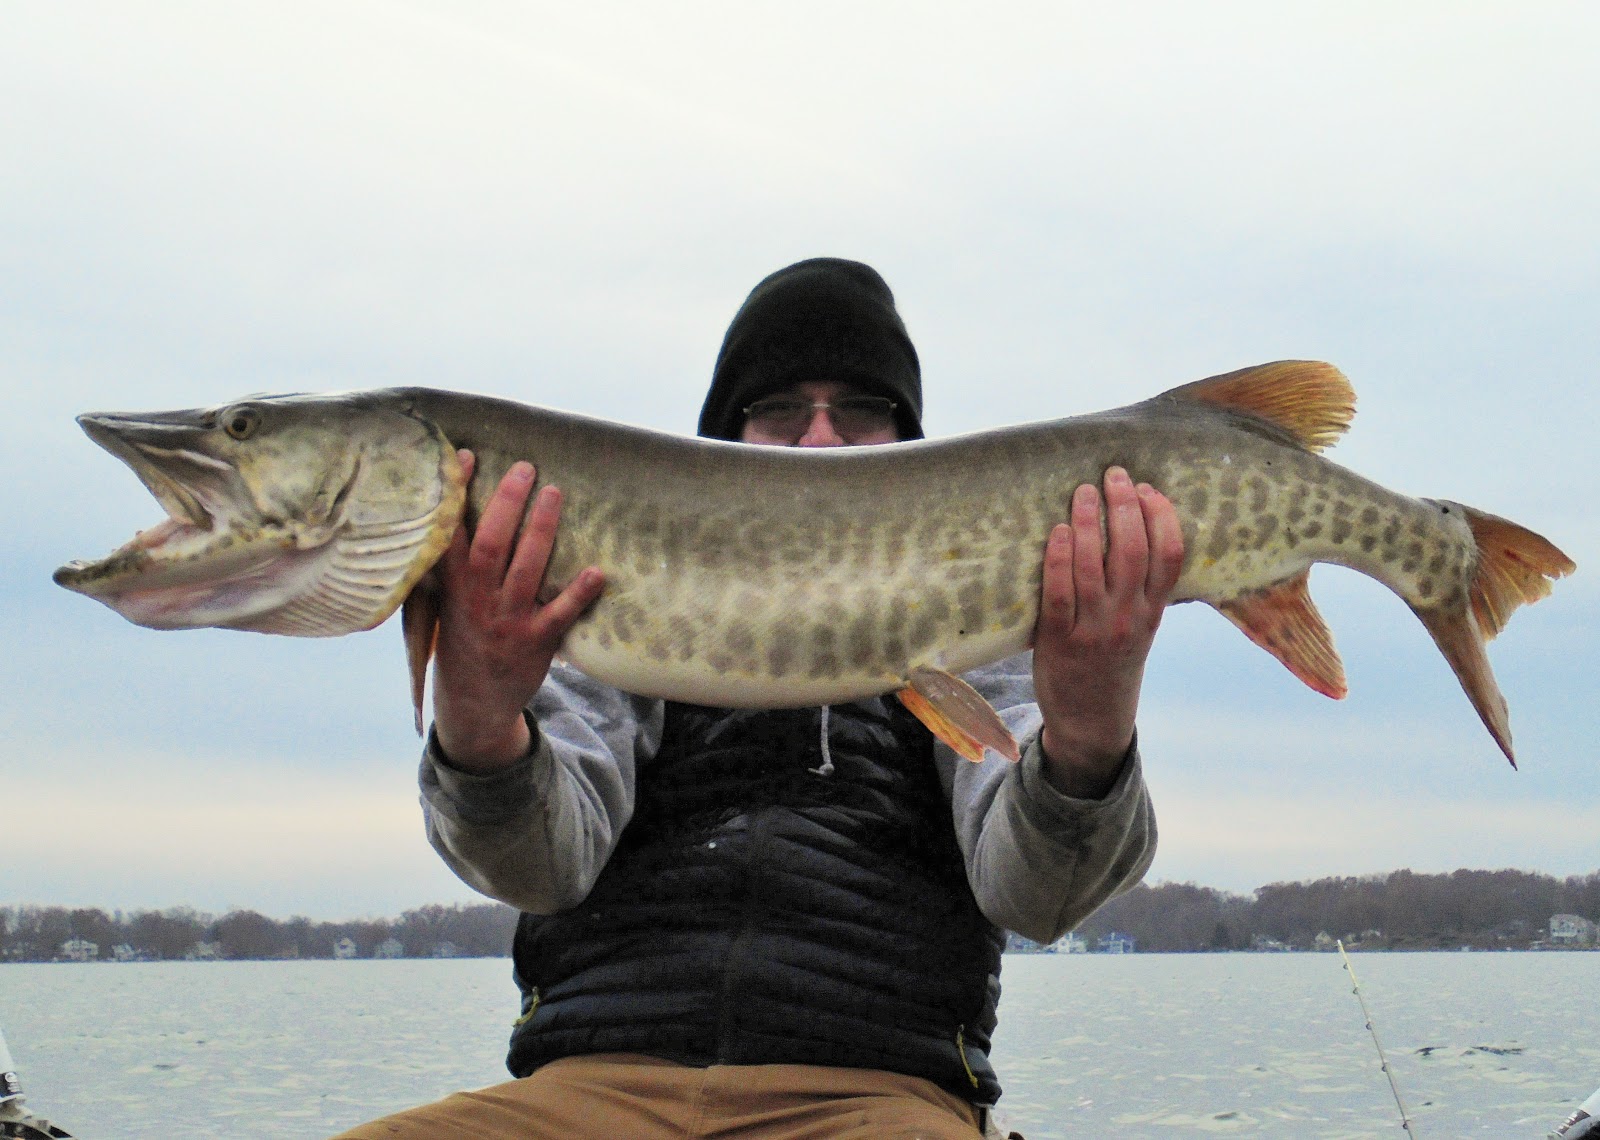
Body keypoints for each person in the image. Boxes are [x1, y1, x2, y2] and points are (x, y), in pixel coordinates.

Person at [336, 258, 1184, 1140]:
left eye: (862, 410)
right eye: (779, 410)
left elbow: (1041, 898)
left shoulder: (986, 635)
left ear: (910, 445)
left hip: (875, 1099)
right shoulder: (599, 613)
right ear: (722, 440)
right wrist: (480, 726)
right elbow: (540, 871)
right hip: (593, 1090)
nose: (819, 441)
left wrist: (1087, 735)